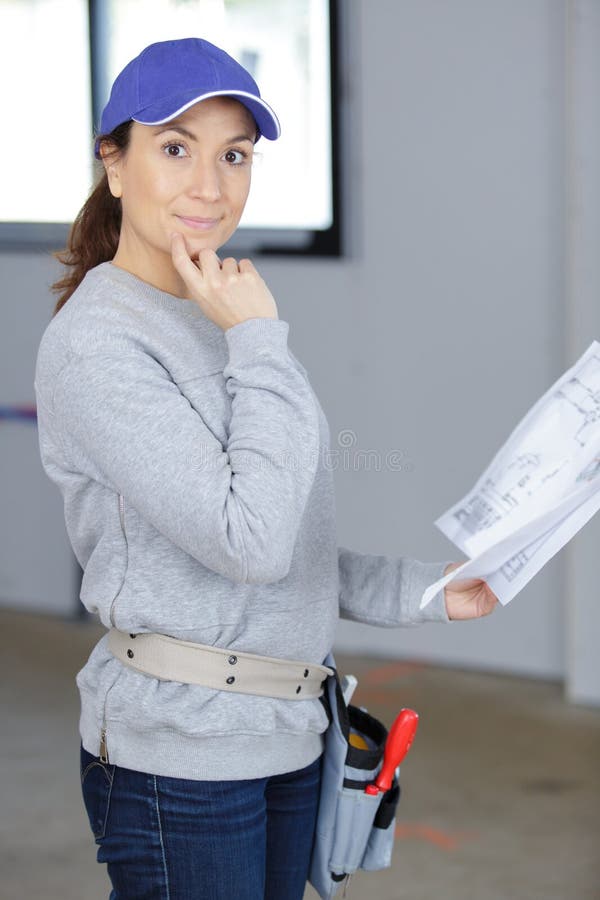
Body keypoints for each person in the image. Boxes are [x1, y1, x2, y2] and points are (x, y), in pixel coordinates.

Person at [33, 36, 498, 900]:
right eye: (175, 149)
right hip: (181, 754)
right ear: (115, 164)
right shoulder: (98, 347)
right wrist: (258, 338)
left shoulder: (220, 317)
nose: (210, 185)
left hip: (290, 734)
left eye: (233, 155)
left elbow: (286, 537)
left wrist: (431, 591)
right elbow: (247, 543)